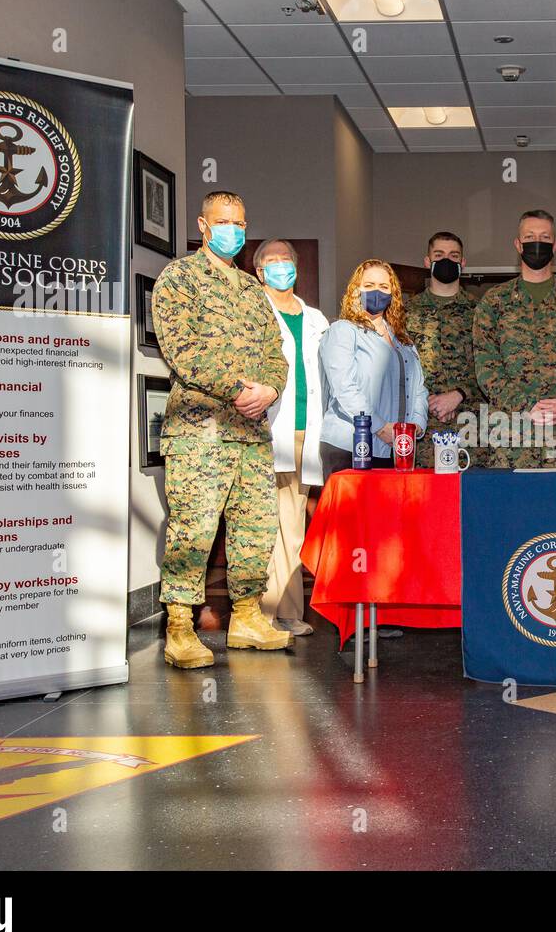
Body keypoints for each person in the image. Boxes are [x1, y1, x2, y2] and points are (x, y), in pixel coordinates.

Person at [153, 191, 292, 668]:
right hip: (201, 430)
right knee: (194, 531)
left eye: (240, 221)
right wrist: (237, 388)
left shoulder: (253, 290)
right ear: (203, 225)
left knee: (255, 529)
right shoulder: (180, 278)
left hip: (252, 433)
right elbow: (182, 349)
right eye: (224, 221)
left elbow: (277, 352)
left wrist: (271, 389)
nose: (233, 229)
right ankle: (179, 627)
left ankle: (247, 618)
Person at [473, 209, 556, 467]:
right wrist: (526, 405)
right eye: (530, 237)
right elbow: (486, 368)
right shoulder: (495, 302)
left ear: (555, 245)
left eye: (544, 237)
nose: (537, 243)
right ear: (518, 245)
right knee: (510, 507)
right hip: (510, 435)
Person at [253, 238, 328, 636]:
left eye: (287, 260)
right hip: (265, 430)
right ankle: (264, 614)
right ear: (259, 271)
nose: (281, 266)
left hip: (304, 431)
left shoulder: (316, 319)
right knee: (263, 523)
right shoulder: (252, 311)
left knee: (293, 524)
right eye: (272, 261)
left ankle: (288, 613)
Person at [319, 259, 429, 477]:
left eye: (383, 287)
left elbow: (419, 389)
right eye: (368, 285)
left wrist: (414, 427)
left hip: (395, 450)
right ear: (355, 291)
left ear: (392, 294)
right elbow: (345, 388)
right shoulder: (343, 331)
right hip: (350, 446)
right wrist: (379, 427)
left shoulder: (403, 341)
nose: (376, 291)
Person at [405, 231, 483, 467]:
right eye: (439, 255)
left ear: (463, 263)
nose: (447, 260)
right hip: (421, 428)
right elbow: (400, 368)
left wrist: (458, 395)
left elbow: (492, 366)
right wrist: (429, 401)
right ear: (427, 262)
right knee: (424, 501)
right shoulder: (407, 312)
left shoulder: (481, 311)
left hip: (471, 427)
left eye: (454, 255)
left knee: (472, 499)